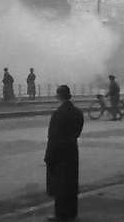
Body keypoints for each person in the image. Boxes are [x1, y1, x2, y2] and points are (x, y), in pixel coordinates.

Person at [45, 85, 84, 222]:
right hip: (72, 150)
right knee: (71, 184)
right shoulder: (78, 112)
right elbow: (77, 132)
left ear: (58, 96)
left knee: (60, 186)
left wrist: (48, 157)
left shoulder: (58, 114)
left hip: (59, 153)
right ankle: (72, 213)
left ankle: (61, 215)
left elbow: (53, 137)